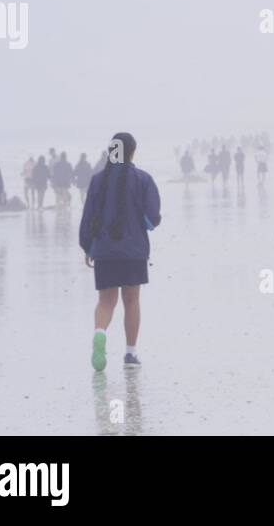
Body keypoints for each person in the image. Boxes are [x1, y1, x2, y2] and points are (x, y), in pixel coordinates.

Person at [79, 133, 161, 371]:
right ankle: (130, 354)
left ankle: (100, 332)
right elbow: (152, 218)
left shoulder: (97, 181)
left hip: (104, 250)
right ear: (132, 152)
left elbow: (88, 218)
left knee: (106, 302)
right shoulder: (143, 179)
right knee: (132, 300)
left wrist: (87, 246)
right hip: (134, 251)